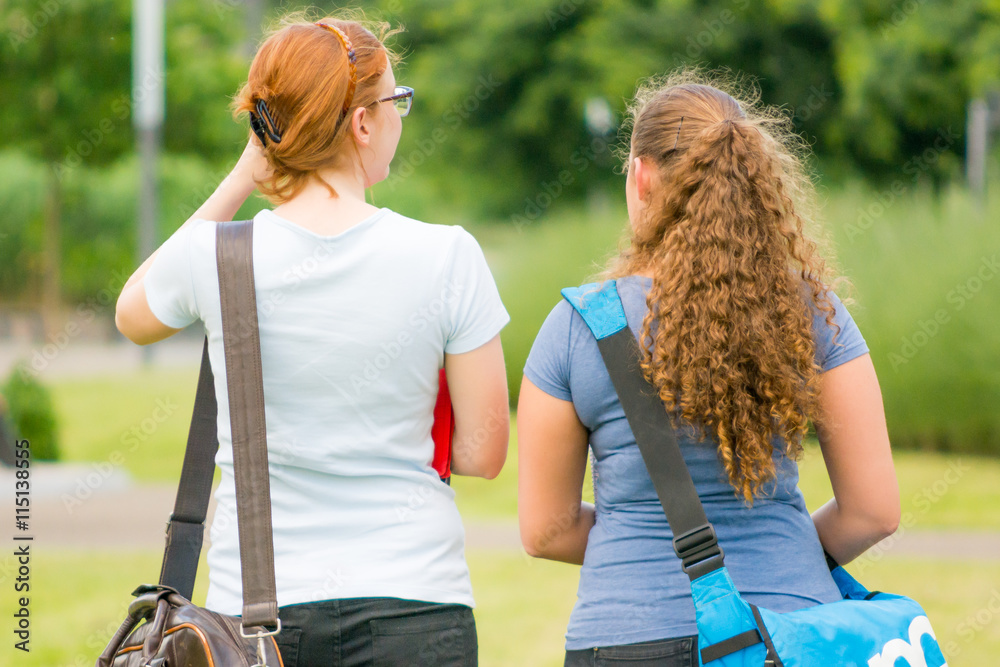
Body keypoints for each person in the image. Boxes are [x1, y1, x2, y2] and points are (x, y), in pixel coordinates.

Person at [115, 14, 510, 667]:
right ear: (361, 123)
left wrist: (245, 173)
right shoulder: (447, 255)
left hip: (258, 616)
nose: (399, 118)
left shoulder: (220, 256)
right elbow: (485, 450)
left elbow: (133, 314)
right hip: (416, 603)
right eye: (395, 101)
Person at [517, 70, 901, 666]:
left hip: (623, 638)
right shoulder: (815, 314)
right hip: (786, 635)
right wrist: (786, 557)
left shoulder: (575, 327)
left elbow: (544, 530)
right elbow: (874, 510)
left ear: (640, 177)